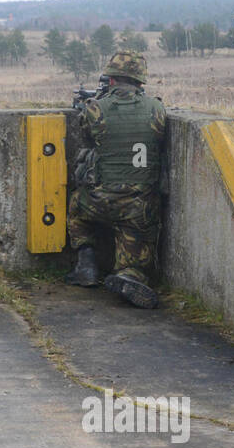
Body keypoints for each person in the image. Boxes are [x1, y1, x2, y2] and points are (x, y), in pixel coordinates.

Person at [64, 50, 166, 309]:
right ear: (140, 83)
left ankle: (86, 263)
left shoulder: (96, 109)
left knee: (75, 206)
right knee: (136, 261)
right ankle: (128, 275)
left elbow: (88, 138)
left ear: (110, 80)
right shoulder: (157, 109)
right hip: (139, 208)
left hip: (98, 202)